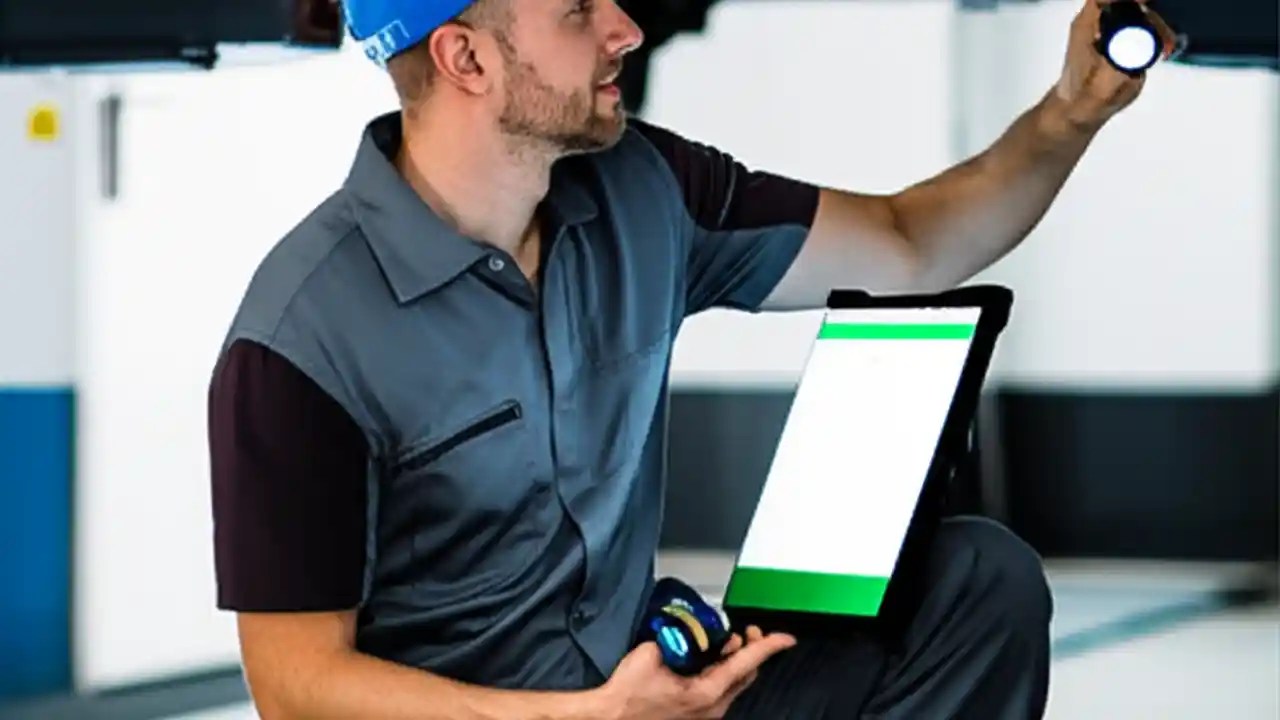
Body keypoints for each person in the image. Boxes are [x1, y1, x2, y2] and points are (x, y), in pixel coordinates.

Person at [207, 0, 1175, 717]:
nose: (625, 29)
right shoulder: (302, 338)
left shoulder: (643, 189)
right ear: (466, 57)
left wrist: (1070, 112)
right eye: (577, 10)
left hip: (656, 699)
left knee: (977, 578)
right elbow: (297, 687)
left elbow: (906, 242)